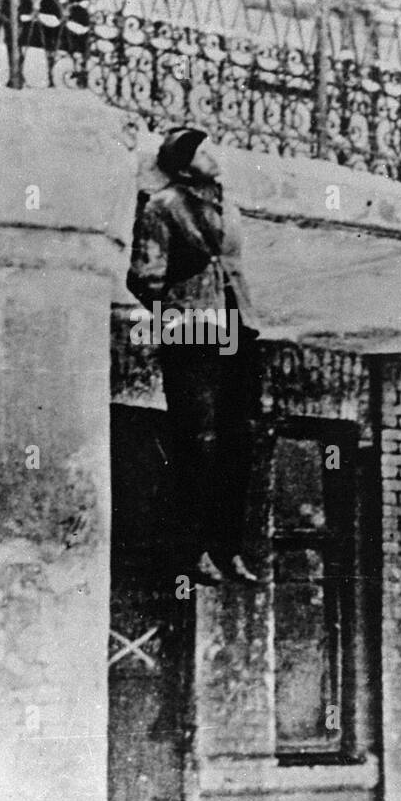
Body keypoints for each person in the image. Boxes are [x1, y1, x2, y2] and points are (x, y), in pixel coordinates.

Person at [127, 127, 261, 586]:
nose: (211, 154)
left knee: (239, 437)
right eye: (200, 152)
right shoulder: (163, 206)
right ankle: (190, 550)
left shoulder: (228, 204)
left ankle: (228, 549)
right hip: (194, 330)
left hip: (238, 327)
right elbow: (145, 278)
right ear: (184, 167)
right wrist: (176, 321)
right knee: (196, 439)